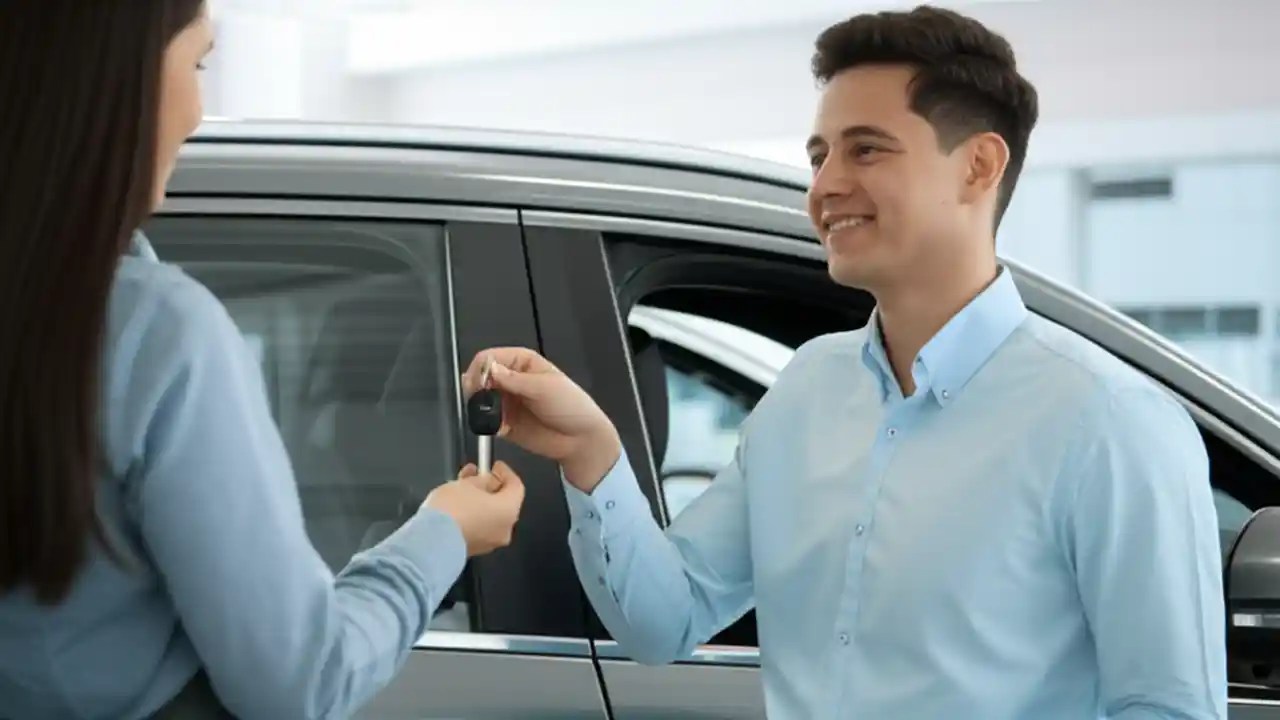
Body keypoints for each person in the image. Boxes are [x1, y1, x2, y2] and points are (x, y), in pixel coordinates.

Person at [461, 5, 1227, 719]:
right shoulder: (807, 390)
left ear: (979, 166)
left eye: (866, 149)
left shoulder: (1109, 423)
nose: (824, 186)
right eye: (819, 155)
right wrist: (590, 452)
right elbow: (665, 620)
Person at [0, 3, 525, 719]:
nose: (196, 113)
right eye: (197, 64)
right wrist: (445, 534)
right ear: (115, 80)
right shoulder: (153, 333)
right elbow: (300, 682)